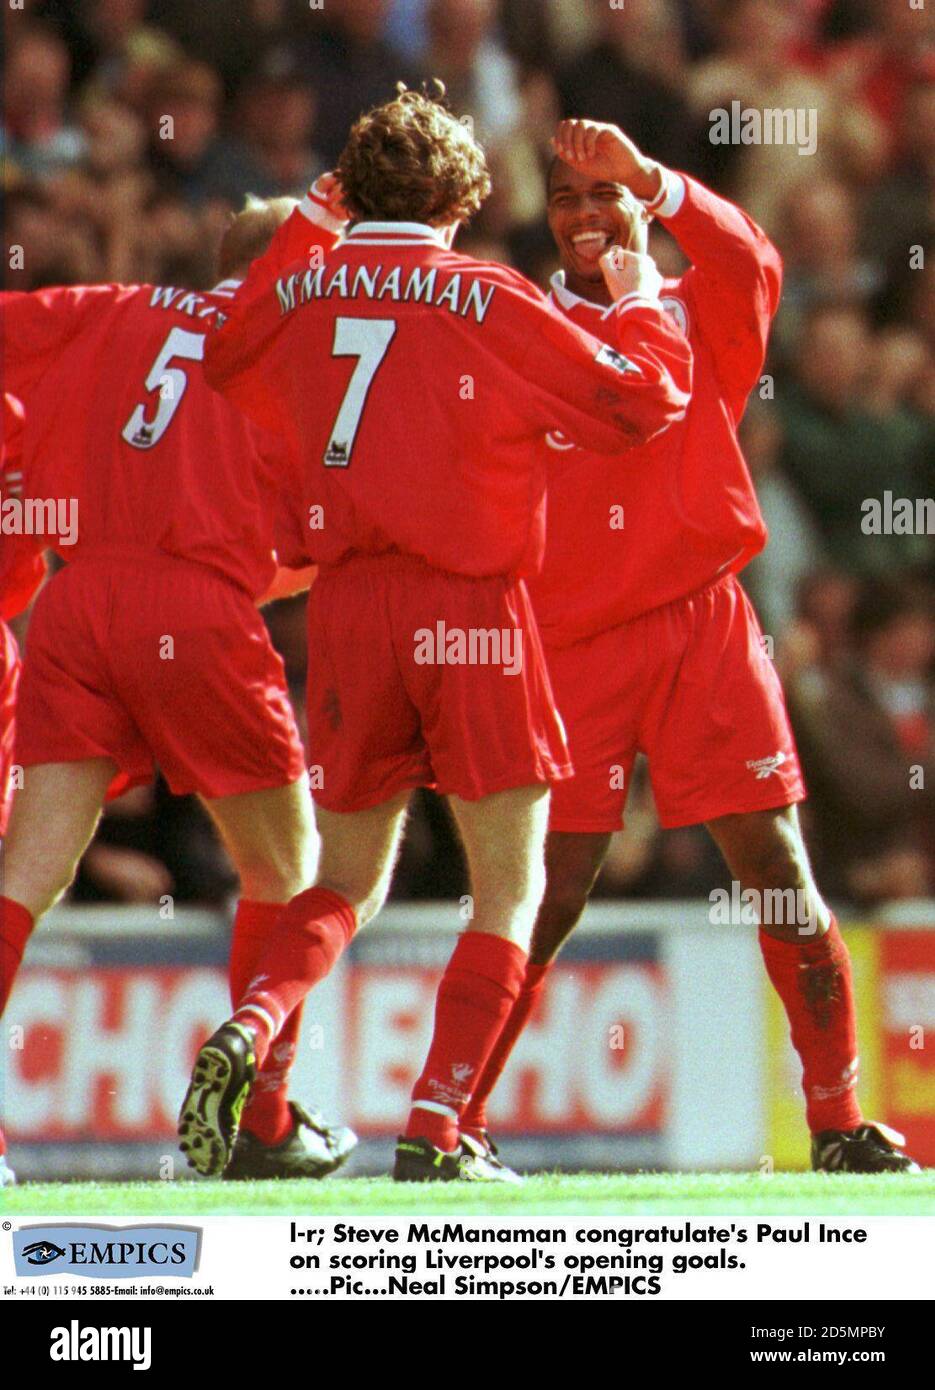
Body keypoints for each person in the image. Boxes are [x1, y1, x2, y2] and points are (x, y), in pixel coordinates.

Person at [187, 83, 692, 1182]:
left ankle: (258, 1019)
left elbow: (220, 356)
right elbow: (643, 400)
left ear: (348, 190)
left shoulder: (303, 294)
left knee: (345, 879)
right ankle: (435, 1125)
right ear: (461, 199)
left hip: (350, 606)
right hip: (469, 606)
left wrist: (312, 226)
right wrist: (637, 282)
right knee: (507, 884)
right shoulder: (484, 292)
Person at [457, 119, 918, 1175]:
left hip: (703, 623)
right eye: (567, 199)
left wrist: (656, 178)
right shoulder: (520, 322)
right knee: (551, 889)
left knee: (776, 874)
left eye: (604, 197)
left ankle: (837, 1118)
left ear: (641, 212)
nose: (584, 214)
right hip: (573, 641)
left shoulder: (694, 309)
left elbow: (750, 255)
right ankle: (455, 1123)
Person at [0, 194, 356, 1183]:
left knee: (23, 880)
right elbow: (301, 545)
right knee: (289, 876)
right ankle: (263, 1118)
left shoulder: (115, 307)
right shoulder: (287, 363)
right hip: (196, 611)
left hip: (76, 605)